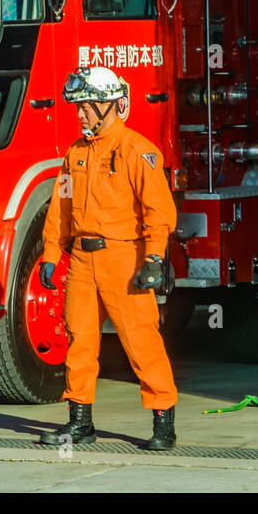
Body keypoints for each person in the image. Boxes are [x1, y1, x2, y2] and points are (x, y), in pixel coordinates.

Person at [39, 66, 179, 451]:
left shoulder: (138, 151)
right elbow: (61, 208)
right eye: (78, 107)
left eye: (86, 106)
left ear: (107, 105)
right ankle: (80, 422)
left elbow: (158, 212)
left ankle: (163, 421)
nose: (80, 114)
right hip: (82, 261)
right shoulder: (75, 154)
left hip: (124, 258)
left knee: (141, 341)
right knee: (80, 342)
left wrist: (152, 260)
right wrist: (52, 252)